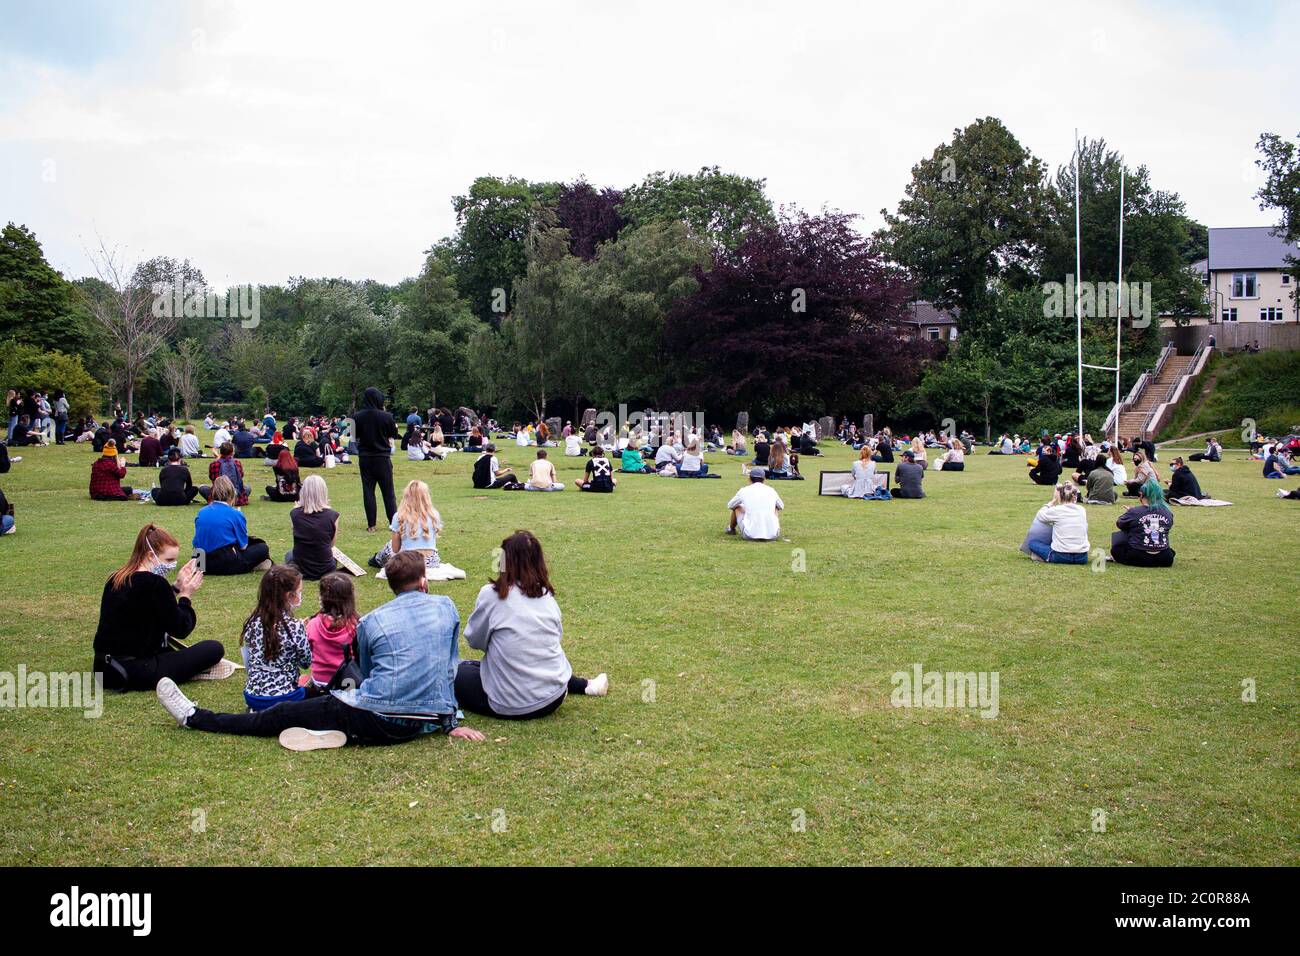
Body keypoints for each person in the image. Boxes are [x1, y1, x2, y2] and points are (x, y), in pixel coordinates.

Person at [155, 549, 487, 750]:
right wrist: (450, 721)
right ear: (425, 581)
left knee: (282, 715)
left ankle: (196, 718)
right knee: (317, 703)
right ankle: (332, 728)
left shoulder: (373, 621)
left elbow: (367, 674)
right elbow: (448, 668)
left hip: (376, 717)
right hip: (419, 722)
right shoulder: (447, 608)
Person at [457, 530, 608, 720]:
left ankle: (581, 685)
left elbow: (474, 639)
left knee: (458, 671)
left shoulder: (492, 595)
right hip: (554, 697)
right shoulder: (546, 595)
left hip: (511, 703)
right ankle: (582, 685)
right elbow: (554, 638)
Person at [92, 523, 225, 691]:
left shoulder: (116, 578)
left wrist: (176, 587)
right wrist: (186, 595)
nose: (172, 565)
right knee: (213, 648)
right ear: (150, 555)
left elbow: (147, 604)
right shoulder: (155, 584)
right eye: (168, 560)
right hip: (135, 670)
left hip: (104, 668)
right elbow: (181, 628)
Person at [240, 565, 312, 710]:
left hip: (252, 696)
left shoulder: (251, 621)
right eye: (299, 592)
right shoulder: (294, 627)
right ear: (288, 596)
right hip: (287, 697)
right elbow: (306, 662)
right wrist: (303, 635)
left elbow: (249, 656)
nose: (300, 596)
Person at [193, 476, 272, 575]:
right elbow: (243, 546)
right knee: (263, 548)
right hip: (224, 561)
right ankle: (255, 564)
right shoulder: (235, 514)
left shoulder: (201, 512)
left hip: (200, 562)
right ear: (232, 494)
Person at [354, 386, 400, 533]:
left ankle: (371, 524)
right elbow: (393, 433)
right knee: (388, 492)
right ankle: (393, 523)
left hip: (365, 458)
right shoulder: (386, 416)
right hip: (382, 457)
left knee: (368, 491)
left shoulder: (357, 416)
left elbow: (353, 436)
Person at [372, 479, 444, 572]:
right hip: (431, 562)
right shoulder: (434, 514)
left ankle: (376, 559)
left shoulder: (399, 516)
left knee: (389, 545)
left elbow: (395, 549)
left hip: (408, 562)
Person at [306, 573, 360, 692]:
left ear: (322, 598)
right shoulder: (356, 625)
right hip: (348, 681)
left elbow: (307, 653)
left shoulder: (313, 623)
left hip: (319, 682)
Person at [284, 474, 339, 580]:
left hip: (301, 567)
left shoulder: (294, 514)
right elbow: (331, 544)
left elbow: (297, 536)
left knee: (289, 555)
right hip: (325, 568)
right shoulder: (333, 515)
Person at [1111, 479, 1175, 567]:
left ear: (1141, 495)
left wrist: (1129, 513)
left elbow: (1120, 524)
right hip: (1164, 558)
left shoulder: (1135, 512)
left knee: (1116, 547)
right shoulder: (1167, 512)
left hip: (1138, 556)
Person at [1023, 481, 1090, 564]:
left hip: (1061, 555)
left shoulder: (1057, 510)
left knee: (1032, 543)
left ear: (1060, 496)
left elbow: (1040, 515)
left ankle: (1047, 557)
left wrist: (1053, 501)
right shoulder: (1082, 510)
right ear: (1074, 496)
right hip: (1082, 557)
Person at [725, 467, 784, 540]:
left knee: (738, 506)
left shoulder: (744, 490)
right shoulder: (771, 490)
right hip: (773, 535)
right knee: (776, 506)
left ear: (749, 478)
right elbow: (781, 506)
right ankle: (771, 528)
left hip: (750, 534)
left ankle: (731, 529)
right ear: (764, 479)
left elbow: (730, 505)